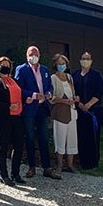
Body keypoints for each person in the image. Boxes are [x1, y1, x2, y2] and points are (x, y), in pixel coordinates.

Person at [15, 45, 60, 180]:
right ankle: (31, 167)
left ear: (39, 55)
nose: (33, 56)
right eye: (30, 54)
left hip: (42, 108)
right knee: (29, 138)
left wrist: (49, 93)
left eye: (35, 54)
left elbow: (49, 86)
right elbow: (18, 88)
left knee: (44, 138)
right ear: (27, 55)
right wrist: (33, 95)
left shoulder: (45, 70)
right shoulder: (21, 69)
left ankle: (47, 167)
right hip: (29, 108)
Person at [0, 56, 25, 185]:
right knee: (3, 146)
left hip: (17, 117)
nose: (5, 66)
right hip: (3, 118)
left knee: (19, 145)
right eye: (3, 64)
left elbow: (20, 95)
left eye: (7, 64)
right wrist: (8, 106)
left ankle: (15, 173)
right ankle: (3, 175)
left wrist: (27, 100)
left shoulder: (13, 80)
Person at [72, 50, 103, 169]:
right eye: (83, 58)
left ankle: (93, 162)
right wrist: (80, 104)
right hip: (79, 110)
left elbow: (100, 91)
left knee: (93, 136)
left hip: (93, 110)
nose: (85, 61)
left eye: (87, 58)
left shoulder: (96, 75)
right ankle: (82, 161)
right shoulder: (74, 75)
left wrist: (89, 105)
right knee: (81, 136)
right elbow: (72, 92)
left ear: (91, 61)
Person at [50, 54, 79, 173]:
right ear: (55, 65)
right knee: (60, 138)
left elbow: (73, 93)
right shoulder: (53, 78)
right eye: (59, 64)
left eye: (63, 64)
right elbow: (51, 97)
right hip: (60, 112)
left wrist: (75, 98)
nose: (62, 66)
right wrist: (64, 101)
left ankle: (70, 165)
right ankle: (60, 165)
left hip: (72, 111)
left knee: (72, 138)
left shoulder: (69, 77)